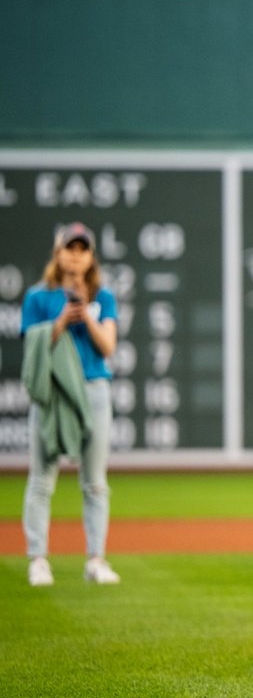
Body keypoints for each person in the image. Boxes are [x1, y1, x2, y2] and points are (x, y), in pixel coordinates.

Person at [20, 222, 121, 587]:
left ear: (91, 257)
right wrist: (61, 320)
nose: (76, 256)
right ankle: (38, 560)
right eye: (70, 248)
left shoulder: (102, 297)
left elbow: (107, 346)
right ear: (58, 253)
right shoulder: (38, 297)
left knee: (94, 482)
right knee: (42, 479)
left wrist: (86, 313)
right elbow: (32, 348)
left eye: (82, 249)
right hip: (53, 391)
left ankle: (96, 559)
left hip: (93, 389)